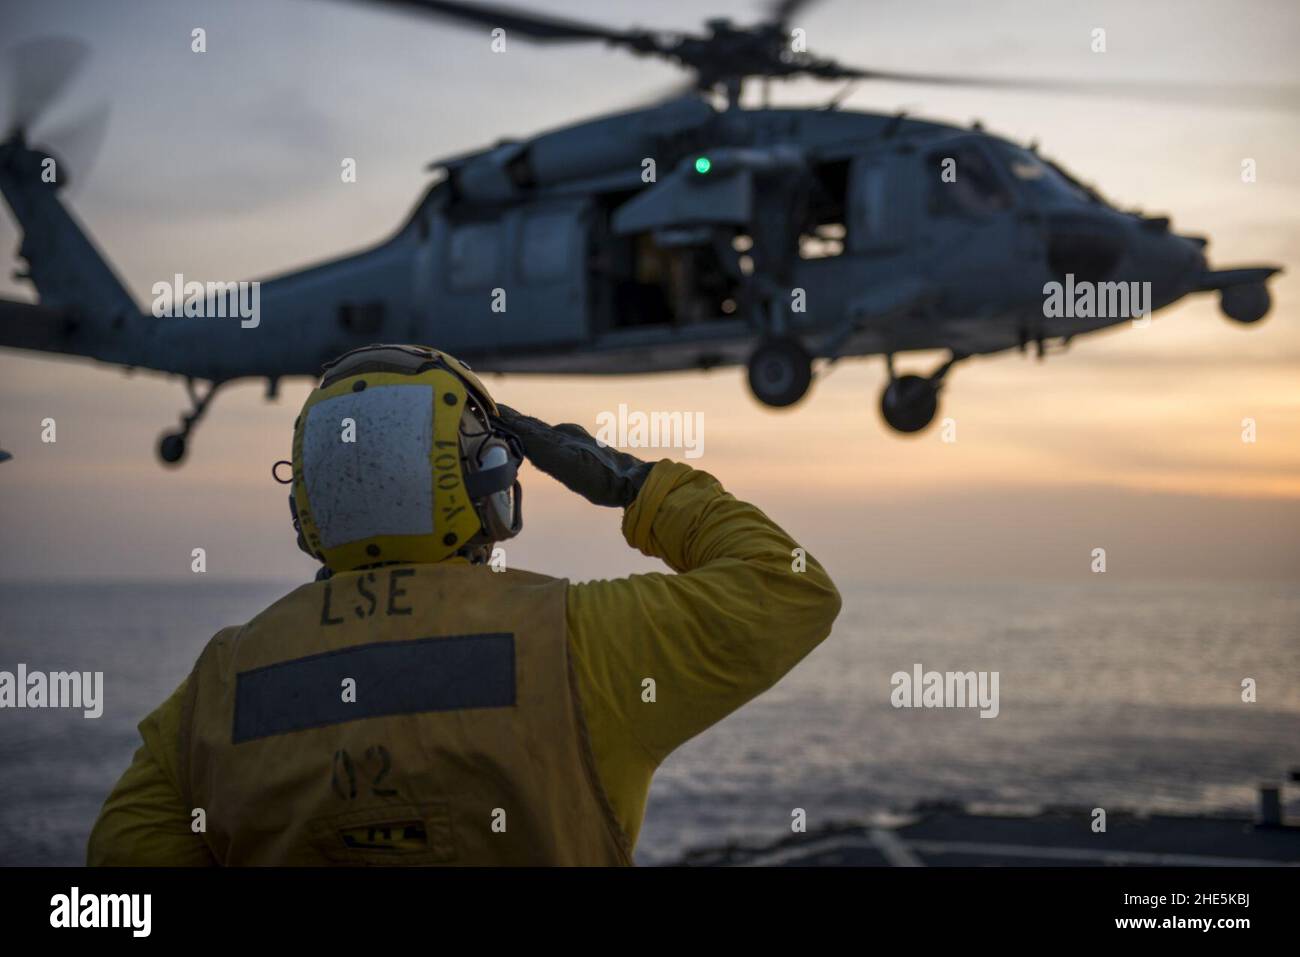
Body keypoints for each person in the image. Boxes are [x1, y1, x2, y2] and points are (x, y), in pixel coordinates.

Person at [87, 344, 841, 865]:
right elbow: (791, 587)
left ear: (308, 500)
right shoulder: (581, 640)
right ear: (488, 481)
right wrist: (627, 481)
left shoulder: (217, 688)